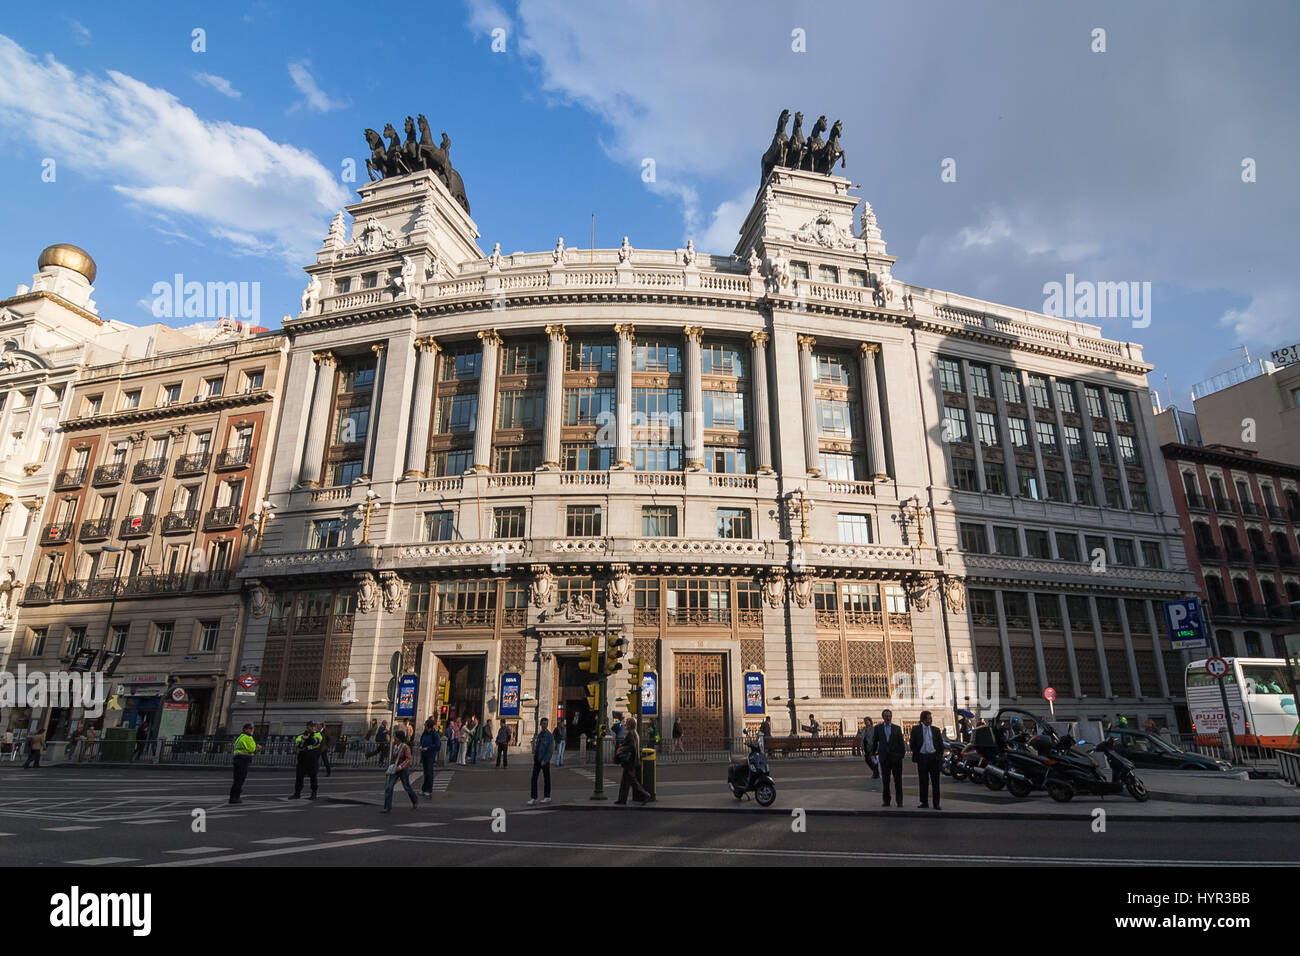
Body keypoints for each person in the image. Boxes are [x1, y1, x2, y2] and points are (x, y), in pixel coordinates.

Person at [871, 709, 905, 807]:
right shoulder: (878, 728)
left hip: (896, 758)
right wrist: (872, 753)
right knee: (885, 780)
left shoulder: (897, 728)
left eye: (889, 716)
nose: (888, 718)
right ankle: (886, 801)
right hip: (884, 758)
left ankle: (899, 801)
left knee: (898, 780)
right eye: (886, 716)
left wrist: (901, 755)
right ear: (883, 717)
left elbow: (901, 743)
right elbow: (875, 742)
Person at [910, 710, 943, 810]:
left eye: (930, 718)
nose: (930, 720)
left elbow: (940, 745)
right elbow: (912, 743)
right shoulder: (916, 729)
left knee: (935, 782)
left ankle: (936, 803)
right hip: (923, 758)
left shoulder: (936, 730)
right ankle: (924, 802)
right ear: (923, 719)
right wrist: (918, 754)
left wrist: (938, 757)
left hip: (933, 758)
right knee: (923, 782)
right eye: (928, 718)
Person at [615, 717, 652, 805]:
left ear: (630, 725)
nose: (625, 725)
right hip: (632, 761)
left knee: (632, 781)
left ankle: (645, 794)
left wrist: (622, 749)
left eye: (627, 723)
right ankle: (622, 800)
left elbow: (632, 746)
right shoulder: (635, 733)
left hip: (630, 761)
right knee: (625, 782)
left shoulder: (631, 734)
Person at [382, 729, 419, 813]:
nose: (394, 737)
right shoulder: (395, 746)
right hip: (395, 768)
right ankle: (387, 807)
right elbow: (393, 758)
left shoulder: (405, 747)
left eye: (395, 736)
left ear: (399, 738)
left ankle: (415, 800)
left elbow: (408, 758)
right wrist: (390, 767)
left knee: (406, 786)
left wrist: (401, 766)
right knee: (389, 787)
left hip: (403, 769)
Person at [290, 720, 322, 799]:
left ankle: (313, 794)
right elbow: (298, 744)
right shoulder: (301, 735)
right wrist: (305, 739)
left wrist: (307, 738)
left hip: (312, 758)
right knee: (299, 776)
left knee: (313, 776)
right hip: (302, 758)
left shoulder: (318, 734)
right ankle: (297, 793)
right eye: (309, 726)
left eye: (312, 726)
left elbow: (315, 742)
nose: (310, 728)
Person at [528, 718, 554, 805]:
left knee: (547, 778)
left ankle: (547, 796)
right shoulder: (539, 735)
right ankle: (533, 797)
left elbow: (550, 750)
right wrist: (535, 756)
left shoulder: (549, 736)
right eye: (543, 724)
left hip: (544, 761)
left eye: (546, 724)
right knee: (534, 778)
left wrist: (545, 760)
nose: (544, 725)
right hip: (537, 759)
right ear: (540, 724)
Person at [230, 723, 257, 804]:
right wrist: (257, 748)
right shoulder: (248, 737)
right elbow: (251, 749)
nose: (252, 730)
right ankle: (236, 798)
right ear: (245, 729)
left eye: (252, 728)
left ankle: (233, 797)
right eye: (250, 728)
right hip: (243, 759)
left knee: (236, 780)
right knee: (240, 779)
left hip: (237, 759)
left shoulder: (240, 737)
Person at [418, 719, 440, 798]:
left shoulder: (435, 734)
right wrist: (421, 746)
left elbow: (437, 746)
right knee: (425, 772)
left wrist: (428, 748)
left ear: (428, 726)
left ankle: (428, 790)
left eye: (425, 724)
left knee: (429, 772)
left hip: (430, 755)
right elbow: (421, 740)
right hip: (424, 754)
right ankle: (424, 788)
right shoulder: (424, 733)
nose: (424, 726)